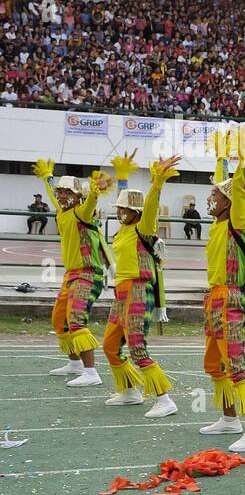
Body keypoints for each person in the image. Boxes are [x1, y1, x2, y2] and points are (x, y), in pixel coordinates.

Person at [197, 127, 245, 452]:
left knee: (235, 364)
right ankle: (229, 418)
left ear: (229, 203)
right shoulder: (217, 225)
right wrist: (222, 156)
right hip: (214, 297)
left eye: (215, 196)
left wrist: (244, 159)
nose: (209, 200)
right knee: (214, 364)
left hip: (231, 299)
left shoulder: (237, 221)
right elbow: (224, 181)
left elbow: (238, 187)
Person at [102, 157, 181, 418]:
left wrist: (157, 182)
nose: (119, 211)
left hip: (138, 290)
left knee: (137, 346)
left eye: (124, 209)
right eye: (119, 207)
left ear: (135, 212)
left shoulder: (143, 227)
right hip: (120, 293)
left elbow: (151, 207)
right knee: (110, 346)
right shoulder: (121, 231)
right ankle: (129, 391)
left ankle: (164, 399)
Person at [34, 163, 108, 386]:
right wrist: (47, 176)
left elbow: (91, 202)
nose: (63, 196)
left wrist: (95, 191)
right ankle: (75, 363)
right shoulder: (61, 212)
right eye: (61, 192)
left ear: (79, 197)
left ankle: (91, 372)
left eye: (69, 193)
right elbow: (52, 193)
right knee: (59, 319)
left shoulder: (82, 213)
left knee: (76, 319)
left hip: (88, 274)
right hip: (71, 275)